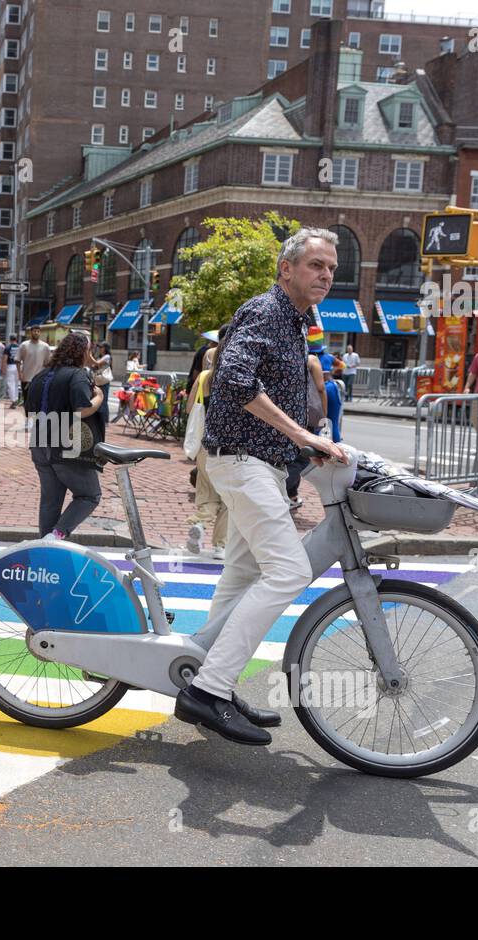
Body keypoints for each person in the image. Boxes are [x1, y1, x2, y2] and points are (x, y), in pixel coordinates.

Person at [174, 227, 348, 747]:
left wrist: (306, 441)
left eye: (332, 268)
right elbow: (236, 380)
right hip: (242, 459)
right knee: (289, 568)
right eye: (316, 265)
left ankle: (209, 676)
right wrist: (299, 432)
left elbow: (275, 395)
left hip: (264, 461)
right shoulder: (266, 311)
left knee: (244, 573)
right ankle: (208, 691)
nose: (325, 275)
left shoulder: (295, 322)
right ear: (286, 269)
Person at [25, 331, 106, 539]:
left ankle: (45, 548)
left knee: (50, 502)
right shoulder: (76, 375)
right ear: (82, 351)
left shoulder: (42, 375)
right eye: (89, 350)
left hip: (40, 444)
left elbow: (30, 410)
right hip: (65, 447)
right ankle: (57, 535)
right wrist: (99, 396)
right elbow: (82, 409)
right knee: (89, 495)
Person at [185, 346, 227, 559]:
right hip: (229, 447)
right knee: (228, 499)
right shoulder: (236, 378)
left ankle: (200, 524)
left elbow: (189, 407)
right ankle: (220, 546)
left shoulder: (203, 377)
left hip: (204, 444)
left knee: (207, 491)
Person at [286, 333, 329, 512]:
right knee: (302, 458)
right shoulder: (311, 359)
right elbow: (320, 387)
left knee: (288, 453)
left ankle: (292, 495)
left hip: (284, 413)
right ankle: (285, 493)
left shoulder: (286, 355)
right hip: (304, 414)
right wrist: (324, 415)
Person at [17, 325, 52, 401]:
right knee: (26, 400)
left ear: (40, 333)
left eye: (38, 331)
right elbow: (18, 360)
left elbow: (48, 363)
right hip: (26, 378)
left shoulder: (45, 347)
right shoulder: (24, 345)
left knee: (38, 401)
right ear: (31, 332)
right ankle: (27, 413)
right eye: (34, 331)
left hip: (40, 379)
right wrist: (20, 374)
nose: (36, 333)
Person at [92, 341, 114, 422]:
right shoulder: (101, 356)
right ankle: (100, 419)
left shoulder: (107, 356)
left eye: (101, 347)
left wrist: (89, 355)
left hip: (104, 381)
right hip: (99, 380)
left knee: (103, 400)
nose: (100, 349)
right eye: (99, 347)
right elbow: (93, 365)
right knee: (98, 399)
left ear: (105, 348)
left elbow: (96, 363)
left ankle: (104, 420)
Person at [323, 365, 343, 443]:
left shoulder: (312, 357)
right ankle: (336, 444)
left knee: (325, 421)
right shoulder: (330, 357)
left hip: (326, 386)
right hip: (331, 385)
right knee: (333, 422)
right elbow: (343, 365)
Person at [4, 334, 21, 405]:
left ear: (10, 339)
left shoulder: (8, 347)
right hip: (18, 366)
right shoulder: (20, 347)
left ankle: (13, 400)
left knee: (10, 384)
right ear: (16, 339)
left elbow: (5, 359)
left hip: (10, 366)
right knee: (16, 384)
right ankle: (16, 399)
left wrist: (3, 368)